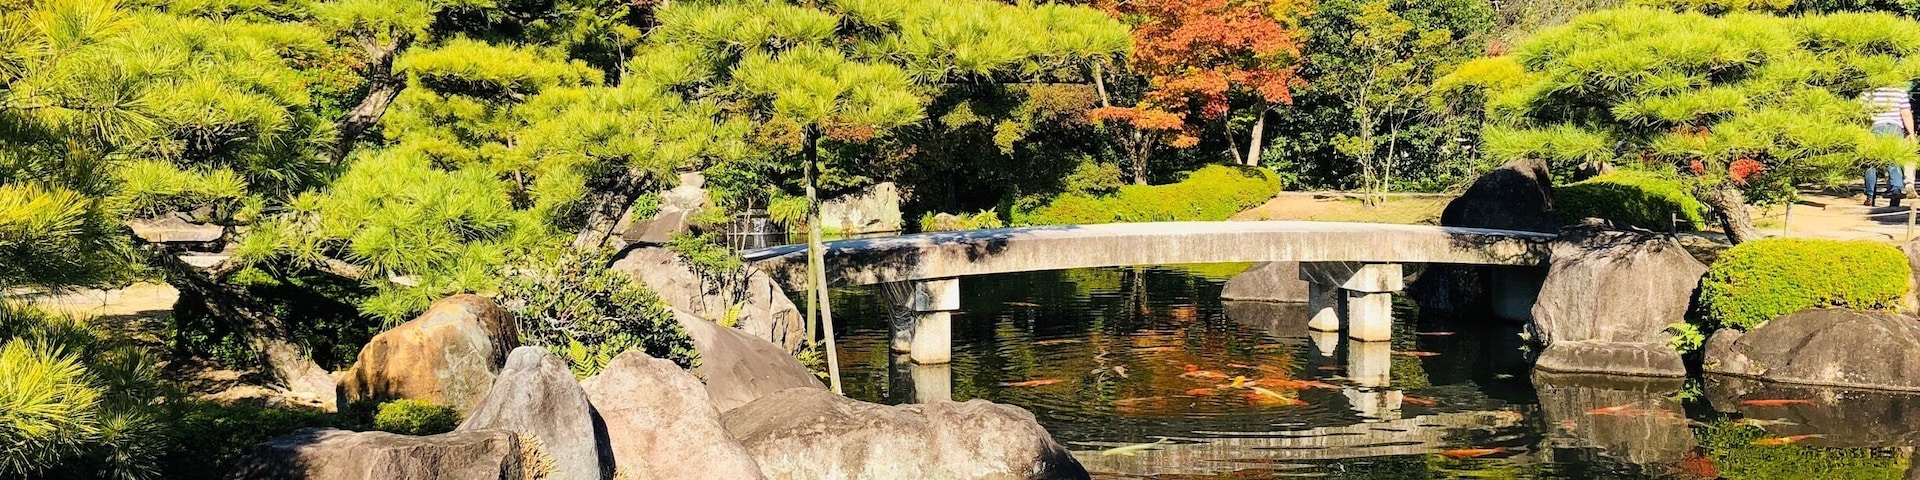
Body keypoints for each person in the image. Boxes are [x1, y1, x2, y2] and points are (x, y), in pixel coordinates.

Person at [1863, 84, 1917, 207]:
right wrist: (1911, 134)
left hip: (1874, 128)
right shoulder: (1899, 91)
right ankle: (1896, 190)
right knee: (1894, 160)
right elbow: (1906, 114)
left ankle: (1870, 196)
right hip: (1894, 128)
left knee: (1871, 163)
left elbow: (1862, 113)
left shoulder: (1870, 91)